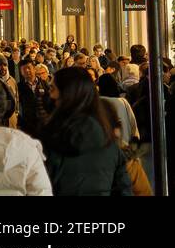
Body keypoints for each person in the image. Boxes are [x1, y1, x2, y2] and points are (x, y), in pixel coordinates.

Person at [40, 66, 132, 196]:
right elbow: (123, 188)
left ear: (67, 94)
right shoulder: (107, 137)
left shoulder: (51, 137)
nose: (50, 95)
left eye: (52, 88)